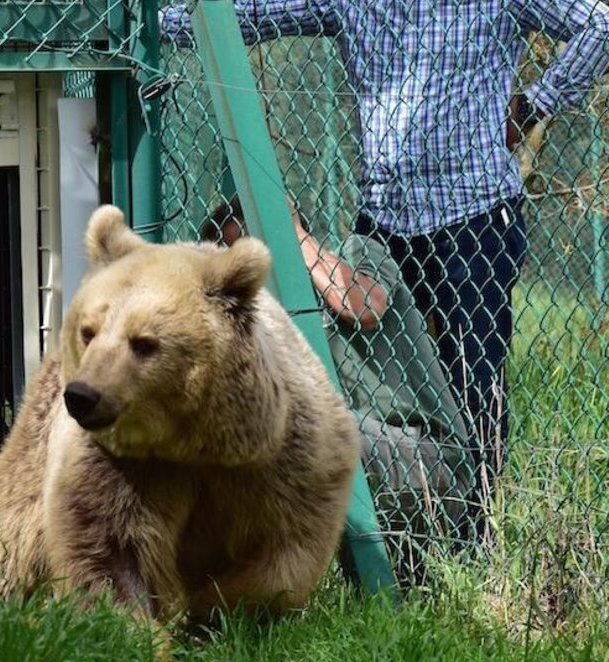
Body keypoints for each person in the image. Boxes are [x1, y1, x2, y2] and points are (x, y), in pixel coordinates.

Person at [163, 0, 609, 536]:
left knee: (472, 378)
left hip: (474, 221)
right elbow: (258, 14)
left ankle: (473, 530)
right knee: (379, 378)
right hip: (384, 225)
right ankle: (391, 530)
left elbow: (602, 26)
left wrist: (535, 103)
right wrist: (154, 24)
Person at [202, 196, 484, 580]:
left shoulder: (358, 250)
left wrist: (290, 234)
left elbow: (364, 306)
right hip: (355, 462)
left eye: (252, 252)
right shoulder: (258, 327)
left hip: (429, 457)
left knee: (300, 425)